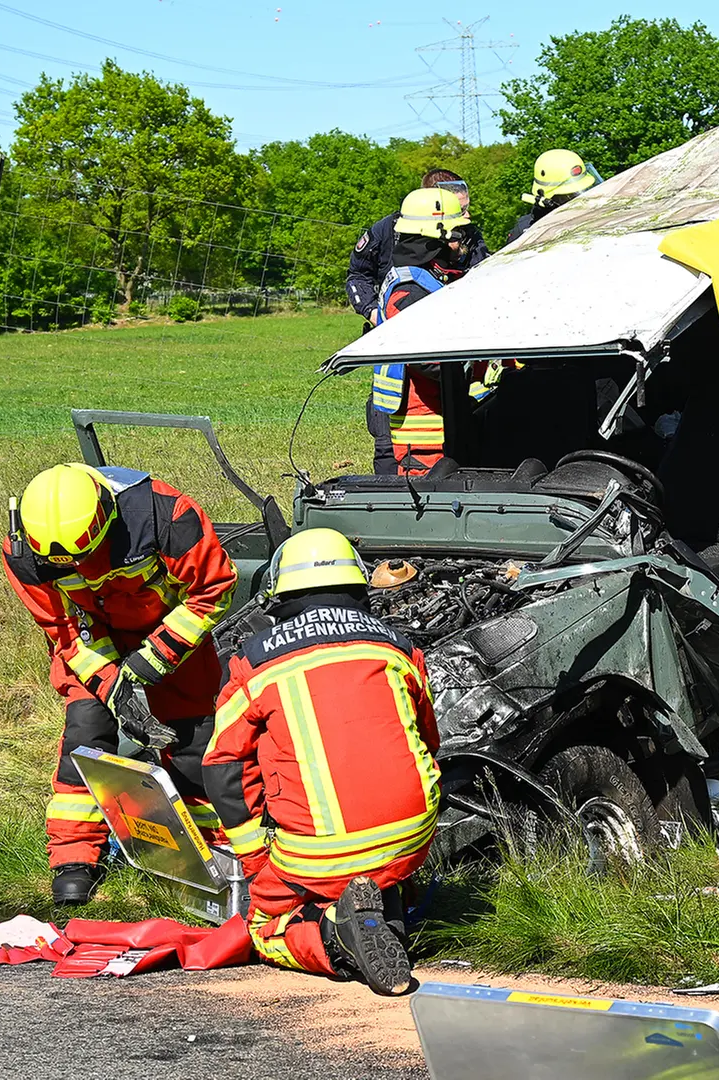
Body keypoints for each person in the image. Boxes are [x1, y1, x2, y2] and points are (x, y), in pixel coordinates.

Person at [204, 528, 441, 996]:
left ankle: (335, 938)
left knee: (262, 927)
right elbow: (428, 741)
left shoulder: (253, 664)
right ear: (359, 586)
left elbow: (222, 768)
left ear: (278, 595)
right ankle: (383, 901)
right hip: (413, 836)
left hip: (320, 857)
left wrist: (256, 860)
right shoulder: (400, 647)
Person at [2, 463, 239, 903]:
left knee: (193, 743)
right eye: (69, 565)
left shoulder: (167, 517)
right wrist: (113, 684)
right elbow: (64, 629)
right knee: (86, 733)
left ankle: (211, 852)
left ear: (108, 517)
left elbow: (215, 588)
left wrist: (152, 662)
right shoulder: (24, 553)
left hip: (173, 636)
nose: (84, 571)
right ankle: (74, 857)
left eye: (89, 557)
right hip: (95, 642)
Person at [370, 186, 478, 476]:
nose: (460, 244)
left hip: (443, 418)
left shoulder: (427, 278)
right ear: (435, 239)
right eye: (456, 237)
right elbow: (428, 361)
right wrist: (482, 359)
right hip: (423, 430)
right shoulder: (408, 290)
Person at [347, 169, 487, 323]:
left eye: (466, 207)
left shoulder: (468, 233)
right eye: (459, 210)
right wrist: (376, 315)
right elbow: (357, 275)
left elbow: (482, 275)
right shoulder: (387, 230)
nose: (467, 216)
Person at [506, 149, 600, 245]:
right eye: (570, 197)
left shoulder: (598, 213)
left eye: (588, 190)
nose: (582, 200)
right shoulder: (525, 233)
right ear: (547, 199)